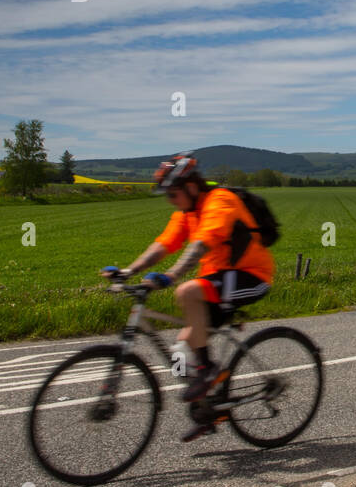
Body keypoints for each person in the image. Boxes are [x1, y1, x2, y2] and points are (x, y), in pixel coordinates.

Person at [101, 153, 275, 440]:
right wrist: (129, 271)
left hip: (251, 275)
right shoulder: (187, 213)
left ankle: (208, 371)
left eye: (173, 193)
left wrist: (172, 276)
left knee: (187, 291)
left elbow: (200, 245)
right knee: (183, 352)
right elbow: (164, 243)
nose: (170, 200)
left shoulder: (220, 201)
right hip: (218, 279)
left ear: (191, 187)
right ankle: (209, 411)